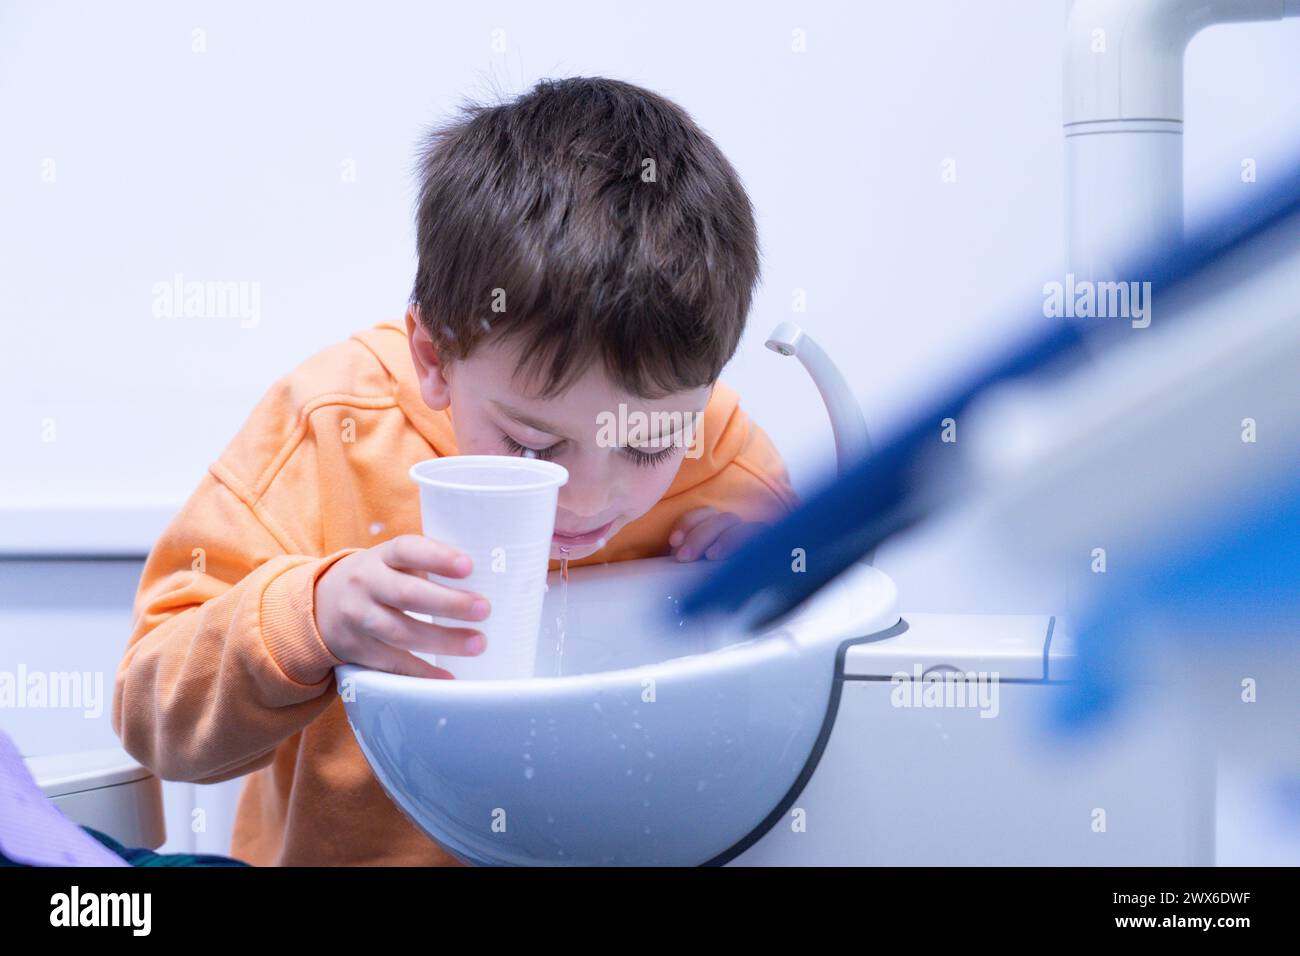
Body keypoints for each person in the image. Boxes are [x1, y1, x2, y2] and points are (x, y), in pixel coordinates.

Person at [112, 76, 799, 866]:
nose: (584, 497)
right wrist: (311, 617)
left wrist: (784, 572)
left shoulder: (726, 458)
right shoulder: (332, 431)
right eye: (534, 446)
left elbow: (804, 705)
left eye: (647, 444)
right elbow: (153, 720)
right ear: (434, 358)